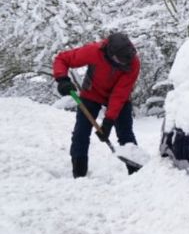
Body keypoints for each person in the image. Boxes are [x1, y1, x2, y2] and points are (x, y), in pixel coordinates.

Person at [53, 32, 141, 177]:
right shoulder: (94, 51)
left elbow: (119, 94)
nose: (124, 64)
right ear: (111, 54)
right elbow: (62, 59)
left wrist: (109, 121)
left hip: (120, 98)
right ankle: (79, 174)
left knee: (125, 134)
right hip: (92, 94)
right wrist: (62, 79)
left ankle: (137, 173)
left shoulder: (133, 63)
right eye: (121, 61)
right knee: (81, 133)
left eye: (127, 61)